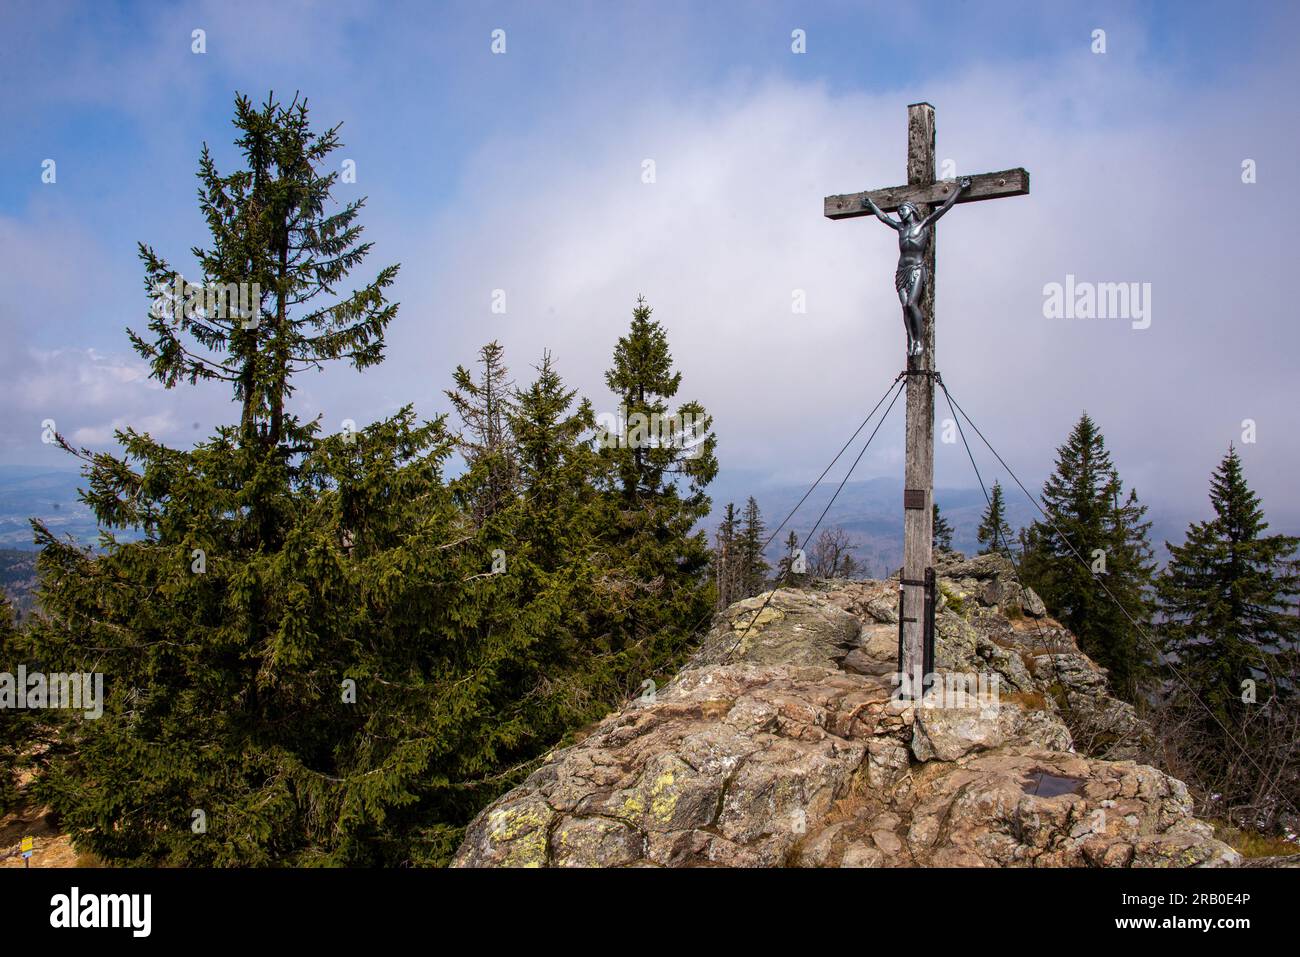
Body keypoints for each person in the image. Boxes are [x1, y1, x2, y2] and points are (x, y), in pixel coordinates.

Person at [862, 177, 971, 356]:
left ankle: (919, 341)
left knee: (913, 303)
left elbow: (944, 208)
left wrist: (959, 189)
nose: (900, 212)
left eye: (903, 209)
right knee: (905, 306)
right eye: (899, 210)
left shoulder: (922, 226)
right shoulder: (900, 228)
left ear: (911, 210)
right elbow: (883, 218)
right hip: (902, 271)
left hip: (917, 268)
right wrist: (872, 204)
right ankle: (911, 341)